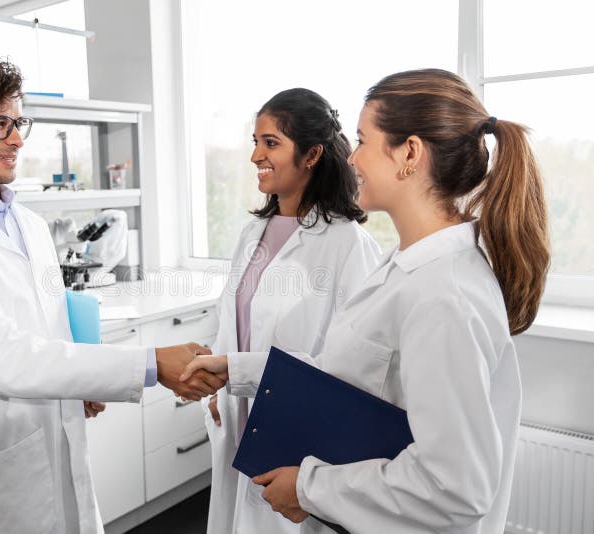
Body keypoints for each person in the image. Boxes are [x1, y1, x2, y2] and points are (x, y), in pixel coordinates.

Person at [184, 68, 550, 533]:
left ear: (410, 154)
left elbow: (456, 487)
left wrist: (308, 488)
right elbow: (347, 377)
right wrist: (236, 371)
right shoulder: (407, 266)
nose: (351, 157)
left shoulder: (445, 294)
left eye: (361, 140)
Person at [0, 52, 222, 534]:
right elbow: (3, 358)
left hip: (58, 439)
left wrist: (83, 379)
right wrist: (150, 364)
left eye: (18, 121)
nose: (17, 138)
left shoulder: (29, 224)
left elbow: (45, 327)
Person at [203, 88, 380, 534]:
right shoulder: (253, 233)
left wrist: (234, 369)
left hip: (298, 436)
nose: (255, 156)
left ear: (312, 154)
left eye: (271, 143)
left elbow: (352, 367)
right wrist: (214, 385)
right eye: (255, 142)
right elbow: (231, 319)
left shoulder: (347, 244)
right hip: (238, 418)